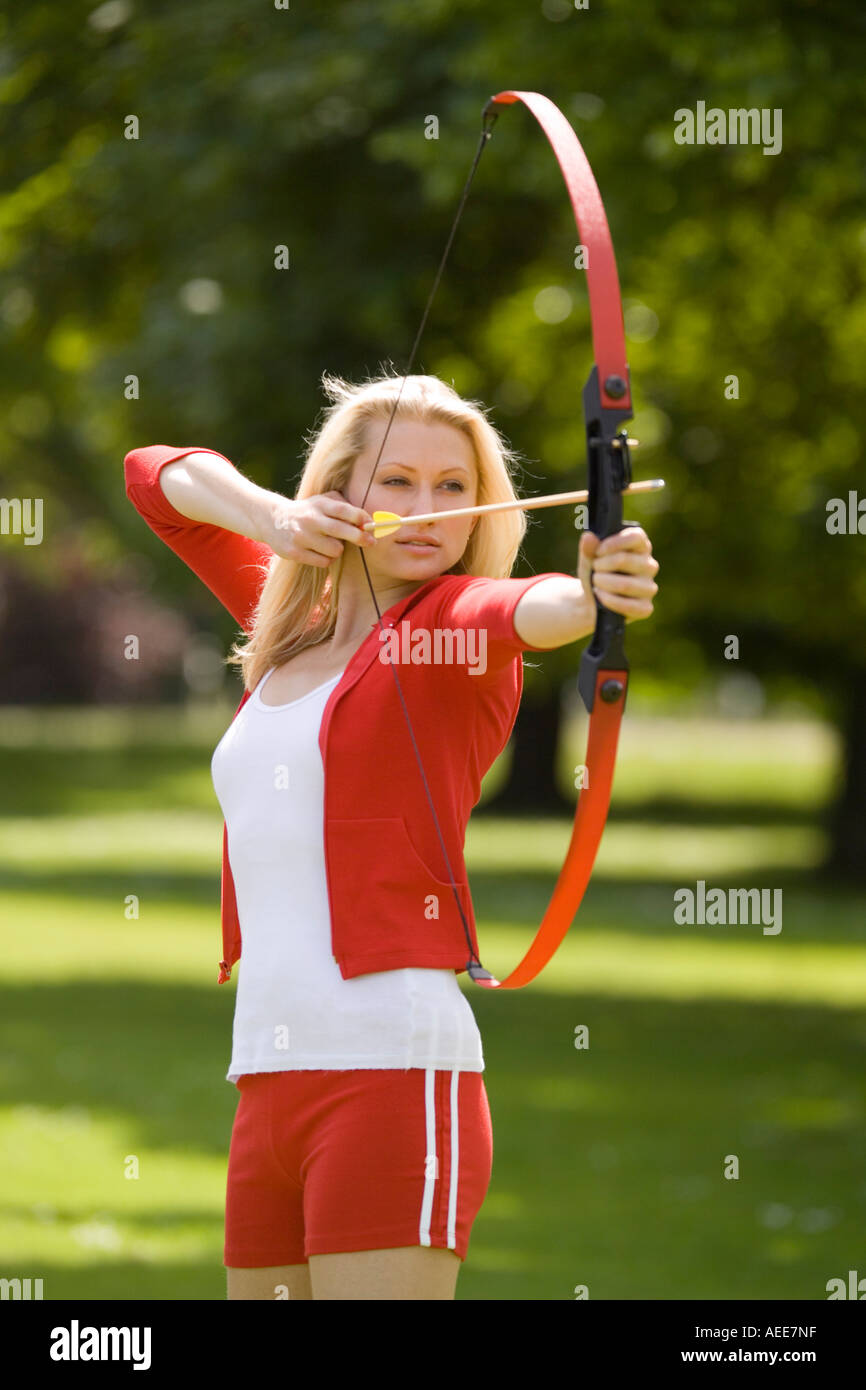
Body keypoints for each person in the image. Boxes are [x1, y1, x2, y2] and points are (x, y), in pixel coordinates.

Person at [123, 371, 659, 1300]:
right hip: (267, 1078)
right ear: (341, 490)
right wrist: (275, 520)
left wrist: (597, 593)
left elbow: (530, 609)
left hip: (395, 1070)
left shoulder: (448, 631)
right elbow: (152, 474)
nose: (427, 508)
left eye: (454, 485)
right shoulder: (289, 628)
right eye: (396, 480)